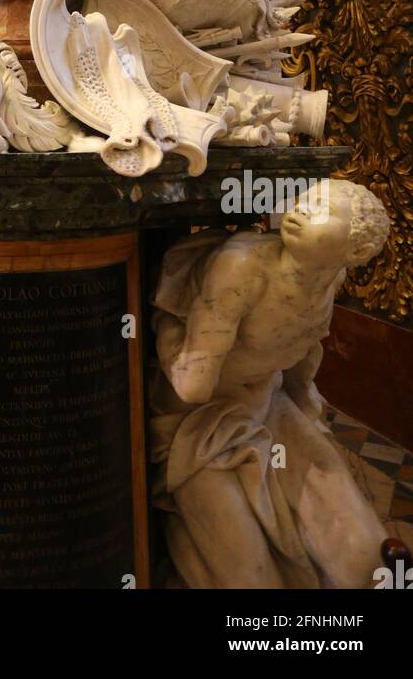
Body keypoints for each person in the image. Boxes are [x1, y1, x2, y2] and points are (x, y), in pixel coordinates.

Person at [150, 180, 391, 589]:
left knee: (358, 546)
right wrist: (173, 334)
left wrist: (307, 415)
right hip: (195, 426)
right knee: (249, 574)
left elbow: (304, 349)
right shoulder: (243, 266)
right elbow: (192, 387)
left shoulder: (330, 281)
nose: (298, 210)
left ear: (354, 252)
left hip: (269, 403)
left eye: (321, 210)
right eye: (305, 198)